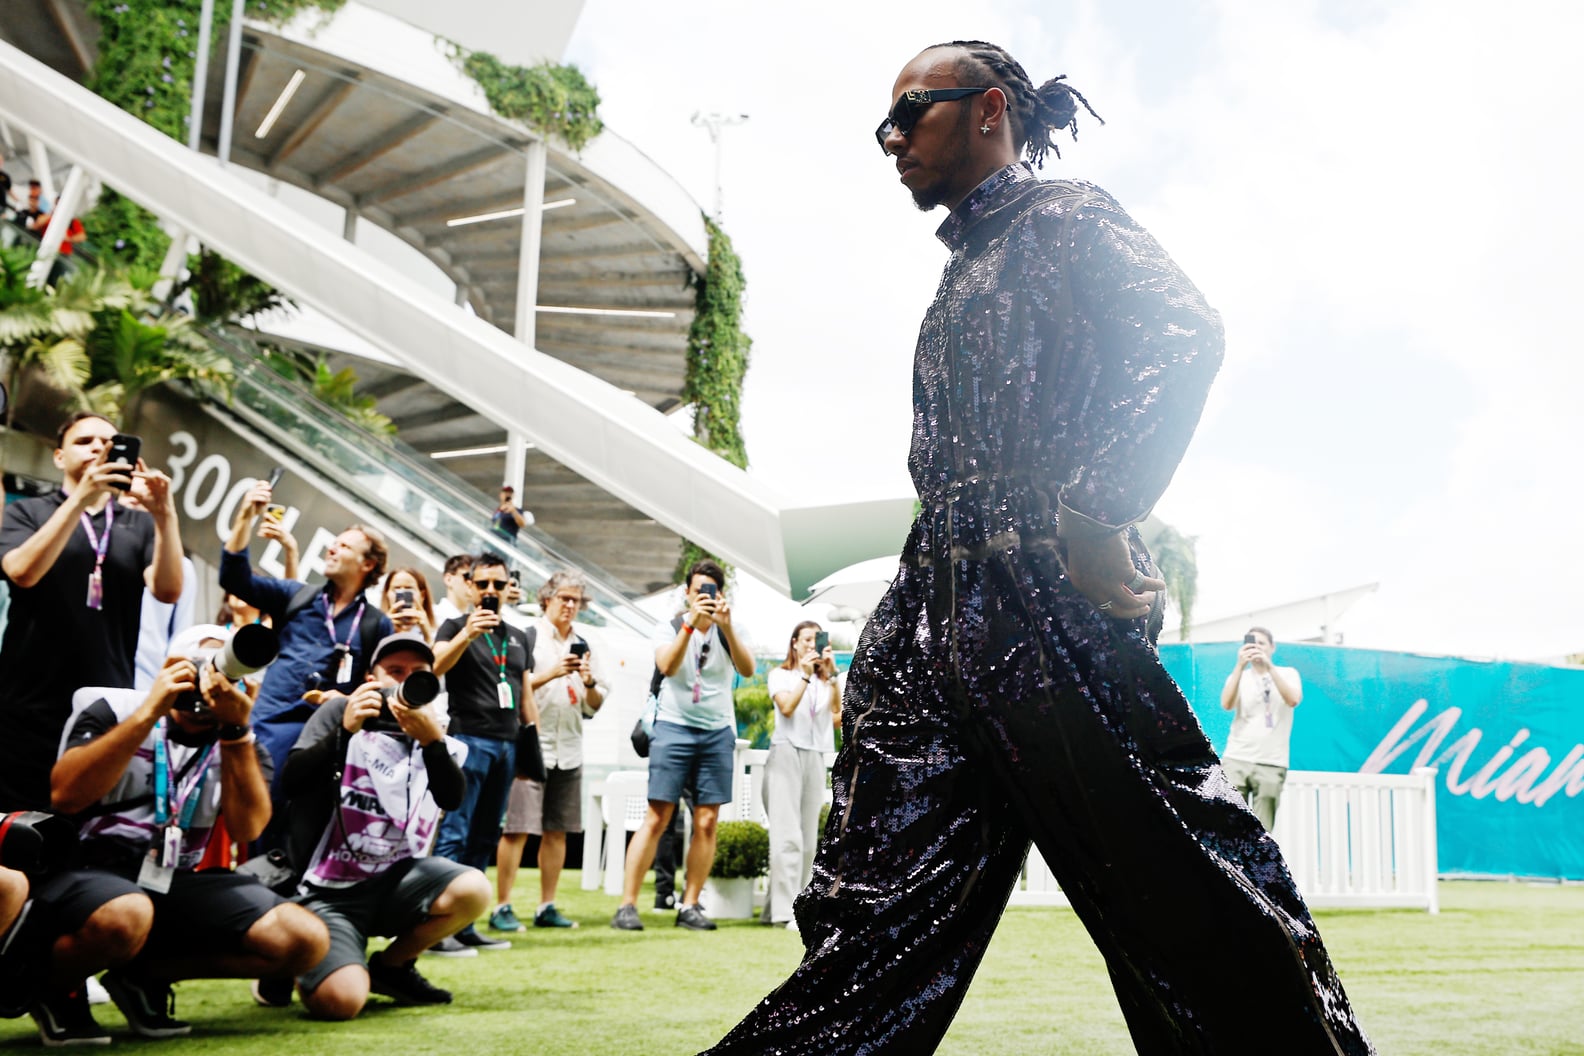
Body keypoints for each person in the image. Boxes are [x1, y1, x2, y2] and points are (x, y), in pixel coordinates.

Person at [704, 42, 1372, 1056]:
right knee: (870, 920)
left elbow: (1183, 332)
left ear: (989, 111)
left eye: (911, 112)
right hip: (933, 605)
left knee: (1187, 894)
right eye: (883, 124)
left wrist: (1097, 514)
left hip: (1044, 599)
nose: (890, 140)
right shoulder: (969, 262)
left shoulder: (1065, 218)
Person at [50, 625, 329, 1038]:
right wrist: (151, 711)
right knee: (126, 912)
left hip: (169, 881)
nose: (208, 683)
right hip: (84, 874)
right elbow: (66, 797)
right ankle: (54, 988)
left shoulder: (241, 741)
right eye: (198, 667)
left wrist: (235, 732)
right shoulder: (113, 708)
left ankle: (143, 977)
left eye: (224, 673)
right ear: (169, 666)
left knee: (304, 939)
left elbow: (247, 828)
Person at [262, 633, 489, 1018]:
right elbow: (292, 782)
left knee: (473, 889)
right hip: (325, 888)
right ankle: (296, 957)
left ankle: (392, 968)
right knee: (341, 1003)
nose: (405, 682)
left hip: (394, 879)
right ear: (372, 679)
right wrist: (345, 731)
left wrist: (433, 742)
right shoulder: (340, 711)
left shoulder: (431, 726)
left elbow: (452, 799)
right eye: (394, 671)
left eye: (417, 673)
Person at [0, 412, 184, 812]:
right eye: (84, 441)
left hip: (102, 701)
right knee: (13, 816)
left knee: (78, 819)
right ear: (59, 457)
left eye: (108, 442)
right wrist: (81, 499)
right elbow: (22, 572)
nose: (99, 448)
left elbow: (168, 590)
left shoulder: (138, 524)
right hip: (27, 698)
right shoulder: (27, 512)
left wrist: (164, 515)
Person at [611, 558, 754, 933]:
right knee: (657, 816)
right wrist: (691, 625)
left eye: (711, 591)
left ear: (721, 594)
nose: (704, 597)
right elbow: (668, 666)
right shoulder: (670, 626)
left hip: (716, 730)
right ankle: (627, 905)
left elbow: (747, 669)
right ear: (687, 593)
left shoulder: (731, 628)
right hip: (673, 727)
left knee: (707, 821)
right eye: (698, 590)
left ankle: (690, 905)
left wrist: (726, 627)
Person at [219, 478, 392, 781]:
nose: (332, 549)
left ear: (367, 564)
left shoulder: (375, 624)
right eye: (334, 543)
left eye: (344, 546)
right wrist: (245, 516)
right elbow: (234, 579)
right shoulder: (296, 596)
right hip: (267, 723)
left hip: (319, 740)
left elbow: (381, 685)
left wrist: (345, 699)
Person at [429, 554, 538, 952]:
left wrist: (531, 748)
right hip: (469, 739)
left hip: (507, 744)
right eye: (482, 584)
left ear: (508, 588)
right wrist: (467, 635)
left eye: (498, 584)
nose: (490, 591)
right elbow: (434, 669)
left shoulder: (518, 636)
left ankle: (464, 923)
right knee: (455, 831)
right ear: (470, 587)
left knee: (486, 834)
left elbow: (525, 696)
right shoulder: (454, 626)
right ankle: (436, 927)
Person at [492, 571, 606, 932]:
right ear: (547, 599)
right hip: (531, 746)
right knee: (517, 829)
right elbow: (513, 685)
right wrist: (553, 673)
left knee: (558, 830)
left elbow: (594, 704)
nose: (570, 606)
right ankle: (502, 906)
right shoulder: (527, 636)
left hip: (569, 747)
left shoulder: (585, 643)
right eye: (563, 598)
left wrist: (588, 681)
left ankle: (547, 906)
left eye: (576, 600)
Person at [762, 621, 840, 927]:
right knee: (788, 836)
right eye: (806, 639)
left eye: (817, 639)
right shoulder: (780, 675)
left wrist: (831, 676)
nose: (812, 645)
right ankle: (785, 912)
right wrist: (806, 676)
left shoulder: (824, 681)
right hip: (786, 752)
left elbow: (837, 716)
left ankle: (794, 908)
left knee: (808, 839)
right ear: (794, 642)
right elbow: (787, 708)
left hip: (815, 754)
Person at [1219, 627, 1303, 830]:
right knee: (1230, 823)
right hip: (1237, 757)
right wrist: (1240, 665)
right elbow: (1227, 704)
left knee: (1263, 830)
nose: (1256, 647)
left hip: (1271, 761)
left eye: (1261, 643)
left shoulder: (1288, 674)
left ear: (1272, 647)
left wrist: (1269, 667)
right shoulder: (1238, 676)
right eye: (1251, 643)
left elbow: (1293, 700)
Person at [381, 567, 438, 644]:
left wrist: (427, 636)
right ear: (387, 594)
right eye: (396, 589)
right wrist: (384, 627)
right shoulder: (375, 625)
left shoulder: (437, 633)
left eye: (409, 589)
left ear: (422, 595)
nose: (402, 594)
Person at [432, 554, 475, 624]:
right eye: (468, 577)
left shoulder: (475, 622)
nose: (471, 583)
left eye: (476, 580)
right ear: (448, 579)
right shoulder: (431, 615)